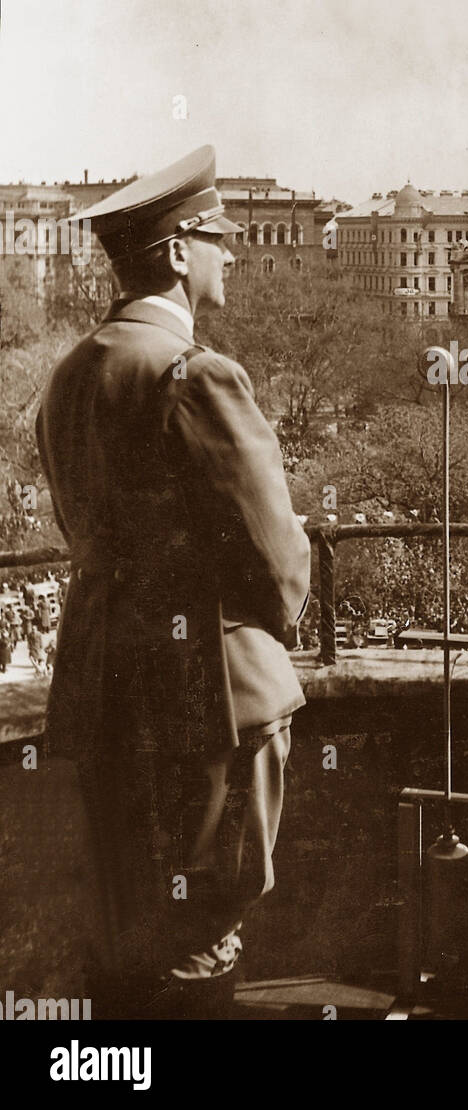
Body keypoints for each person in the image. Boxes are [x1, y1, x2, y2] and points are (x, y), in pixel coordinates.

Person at [35, 145, 311, 1019]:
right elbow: (277, 562)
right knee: (202, 930)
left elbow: (84, 531)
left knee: (126, 926)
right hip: (208, 700)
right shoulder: (195, 374)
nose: (232, 255)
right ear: (179, 252)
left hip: (103, 687)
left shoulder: (71, 375)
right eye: (219, 239)